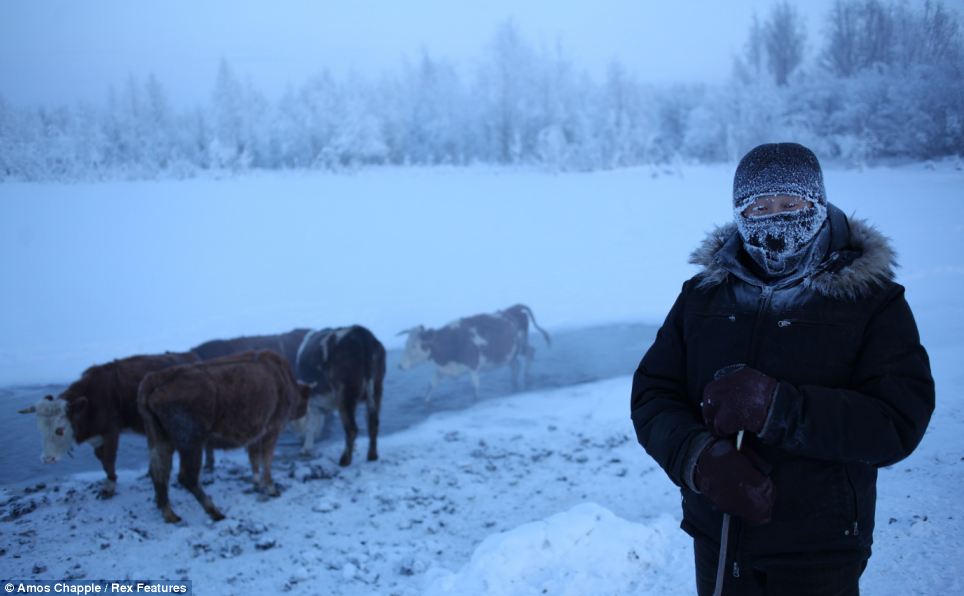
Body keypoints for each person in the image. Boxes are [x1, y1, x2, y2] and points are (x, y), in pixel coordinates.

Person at [630, 142, 935, 595]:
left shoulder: (872, 301)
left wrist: (778, 408)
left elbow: (897, 422)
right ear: (740, 213)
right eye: (759, 207)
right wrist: (699, 459)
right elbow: (653, 394)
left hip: (819, 548)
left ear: (818, 204)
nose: (776, 218)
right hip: (718, 537)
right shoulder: (702, 296)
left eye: (791, 203)